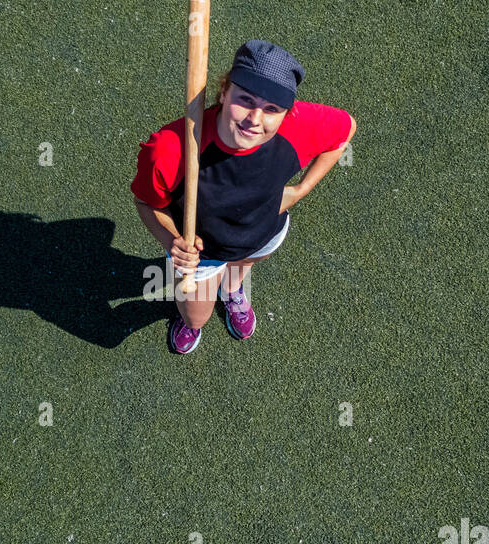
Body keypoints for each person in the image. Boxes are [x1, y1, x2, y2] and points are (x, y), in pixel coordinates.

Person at [131, 39, 356, 353]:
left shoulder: (297, 127)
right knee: (197, 317)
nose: (255, 118)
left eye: (272, 109)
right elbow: (146, 202)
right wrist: (172, 241)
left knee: (239, 271)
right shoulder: (170, 149)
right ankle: (191, 320)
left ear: (286, 113)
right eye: (245, 99)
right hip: (203, 254)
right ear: (224, 92)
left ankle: (232, 289)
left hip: (262, 235)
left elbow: (345, 130)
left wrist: (301, 189)